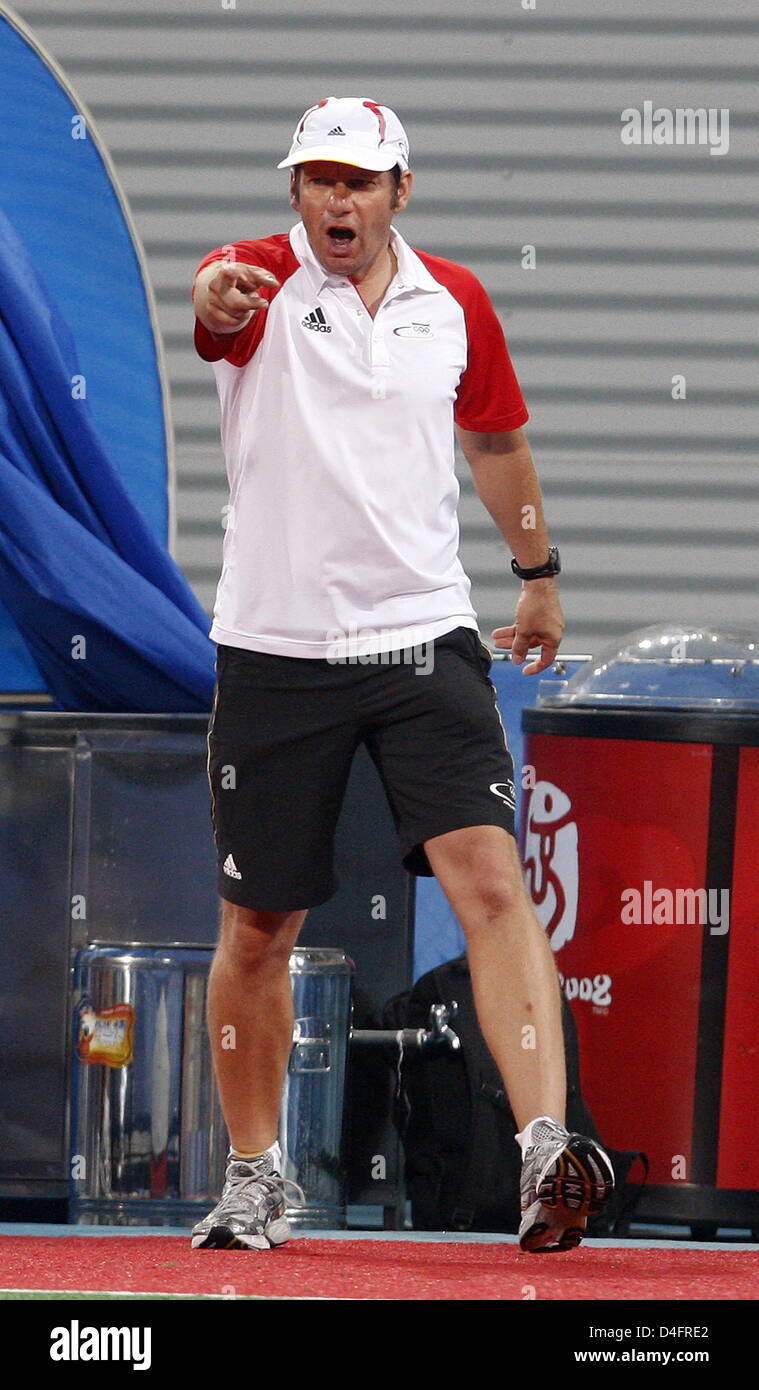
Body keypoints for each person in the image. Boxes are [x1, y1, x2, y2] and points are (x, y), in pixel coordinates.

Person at [189, 96, 614, 1254]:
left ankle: (543, 1154)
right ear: (295, 193)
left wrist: (537, 570)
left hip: (424, 639)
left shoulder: (457, 300)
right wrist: (212, 297)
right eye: (319, 179)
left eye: (360, 181)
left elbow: (495, 443)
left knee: (491, 882)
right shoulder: (251, 282)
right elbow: (213, 309)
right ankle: (255, 1174)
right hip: (277, 651)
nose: (339, 199)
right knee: (258, 924)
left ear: (398, 193)